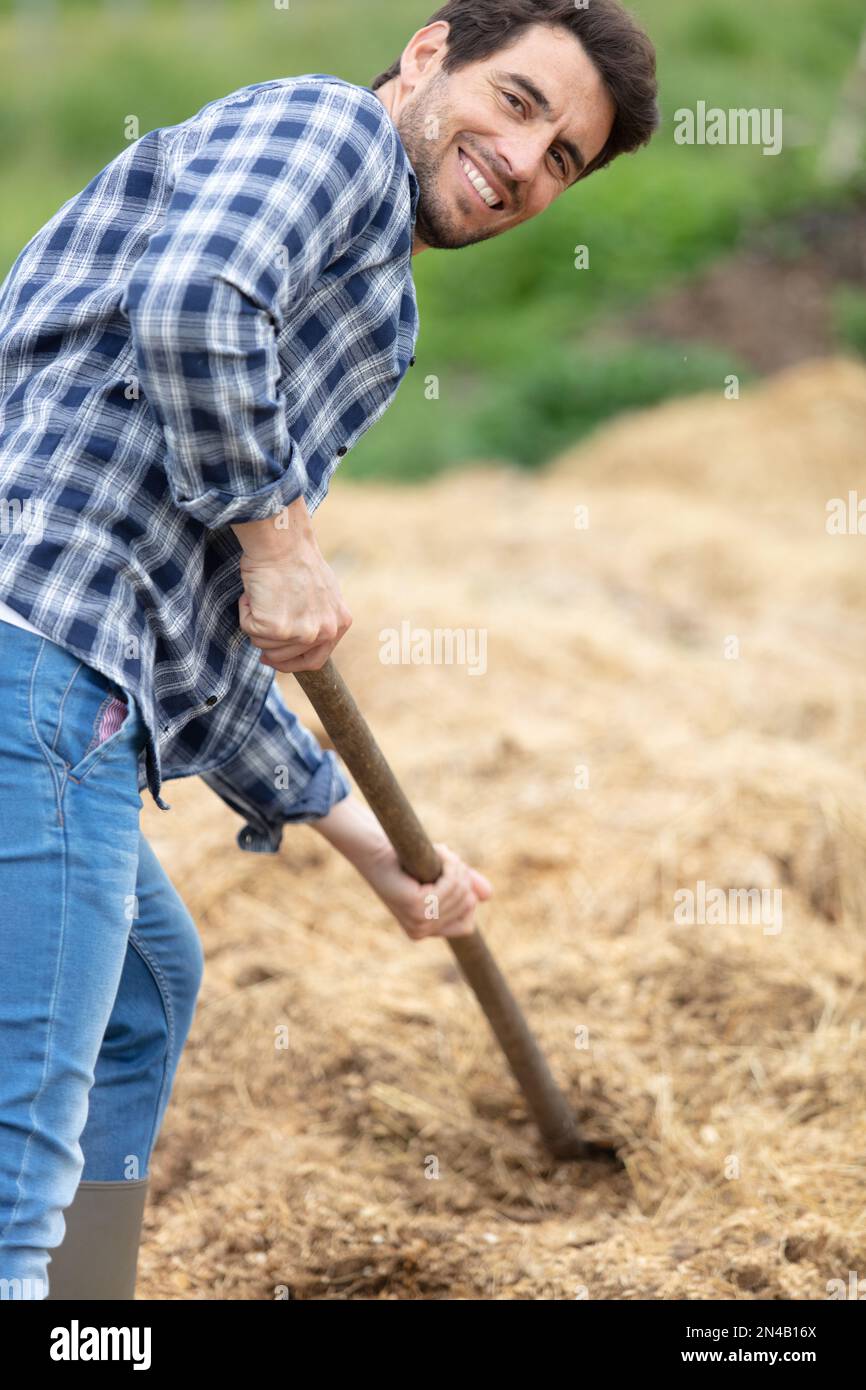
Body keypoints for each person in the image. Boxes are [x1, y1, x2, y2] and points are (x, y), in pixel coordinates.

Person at [0, 0, 658, 1300]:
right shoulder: (326, 133)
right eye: (518, 103)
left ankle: (88, 1305)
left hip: (86, 676)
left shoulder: (379, 308)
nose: (525, 163)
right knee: (23, 1154)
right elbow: (195, 305)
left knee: (145, 987)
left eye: (563, 158)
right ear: (428, 53)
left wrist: (364, 840)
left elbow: (212, 631)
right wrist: (277, 534)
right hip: (38, 657)